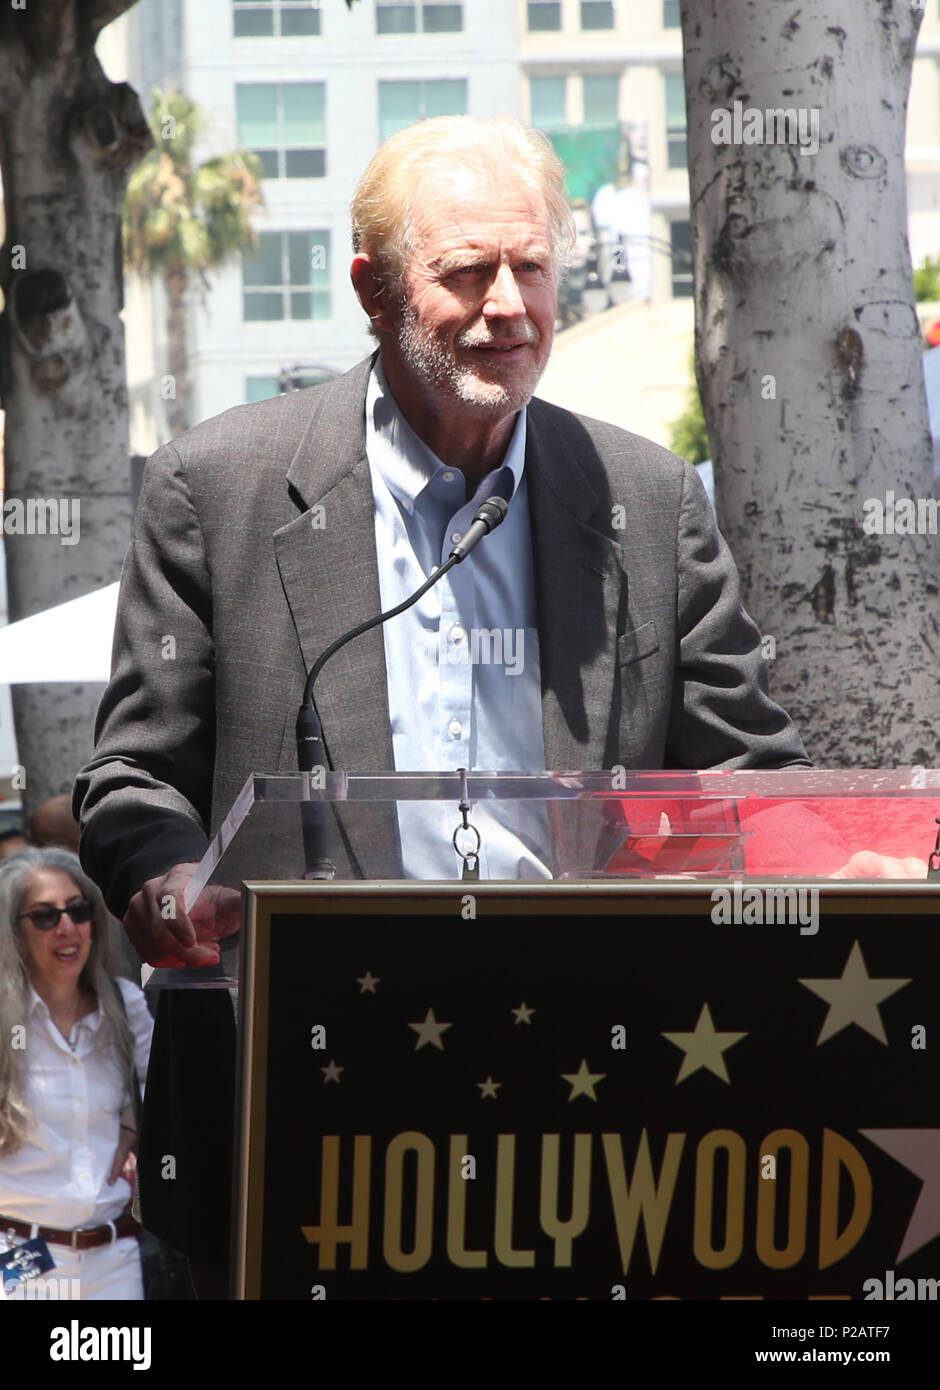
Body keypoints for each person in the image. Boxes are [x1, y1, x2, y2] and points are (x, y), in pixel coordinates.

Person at [72, 115, 918, 1293]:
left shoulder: (646, 499)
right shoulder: (217, 488)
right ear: (372, 291)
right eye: (467, 273)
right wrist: (163, 880)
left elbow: (745, 773)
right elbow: (133, 776)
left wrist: (841, 864)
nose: (507, 307)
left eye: (531, 268)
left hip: (584, 1110)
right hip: (297, 1104)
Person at [0, 848, 152, 1300]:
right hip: (18, 1259)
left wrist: (134, 1123)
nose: (67, 928)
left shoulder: (126, 1006)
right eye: (45, 917)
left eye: (78, 911)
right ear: (15, 934)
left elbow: (165, 1096)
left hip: (114, 1257)